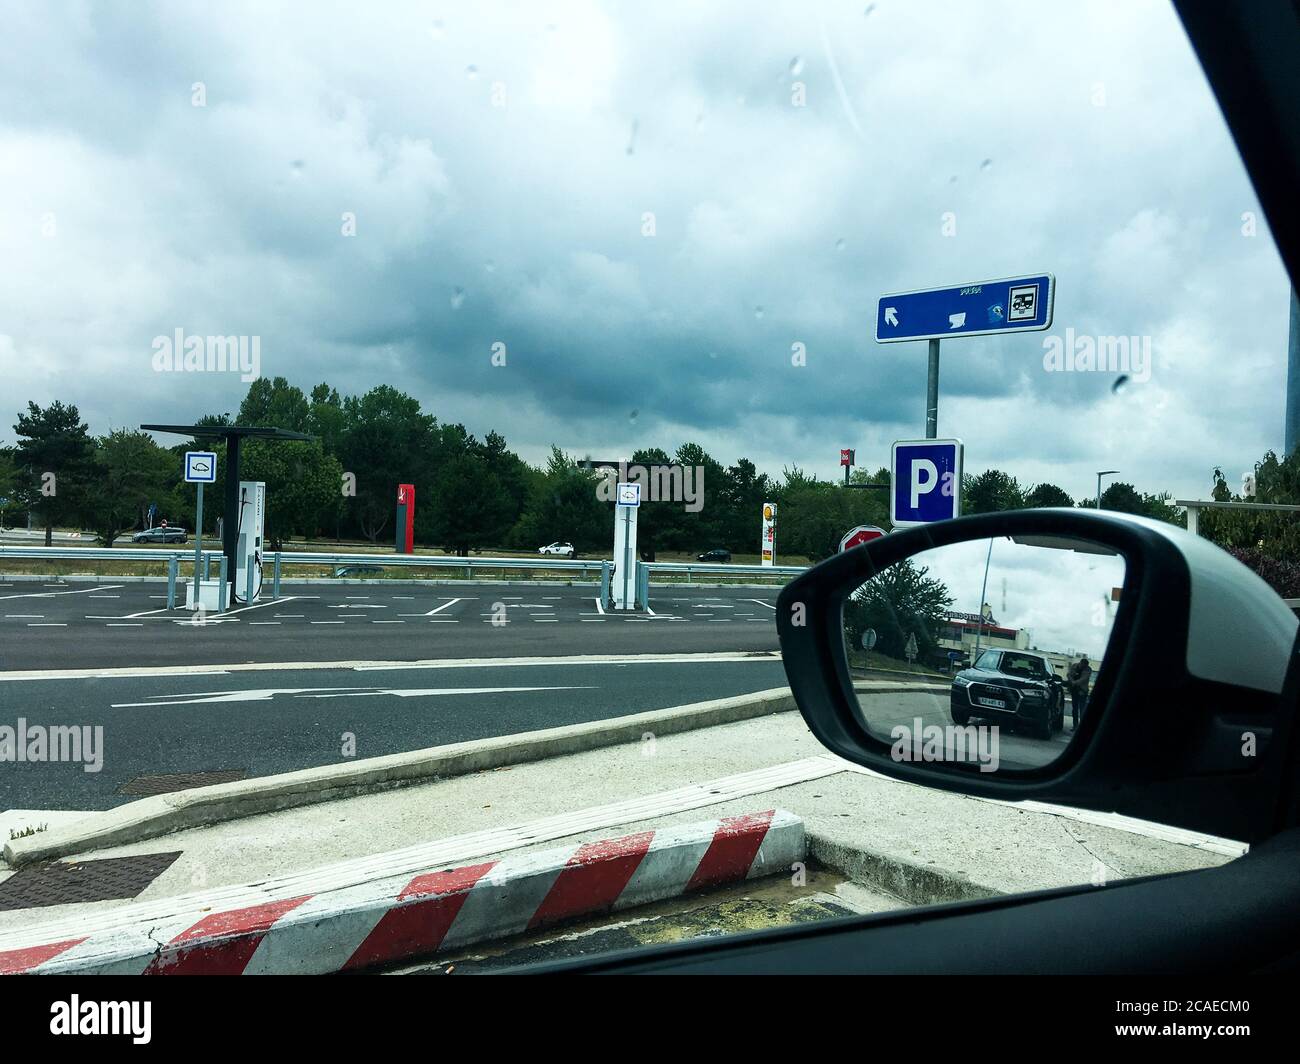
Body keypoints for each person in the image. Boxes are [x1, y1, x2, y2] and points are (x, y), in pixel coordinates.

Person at [1067, 655, 1092, 729]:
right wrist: (1072, 681)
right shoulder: (1074, 666)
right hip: (1074, 690)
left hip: (1082, 691)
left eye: (1085, 666)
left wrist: (1074, 682)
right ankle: (1075, 726)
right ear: (1080, 663)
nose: (1083, 666)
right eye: (1082, 665)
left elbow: (1084, 679)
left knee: (1082, 709)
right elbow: (1069, 674)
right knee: (1074, 709)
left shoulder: (1088, 669)